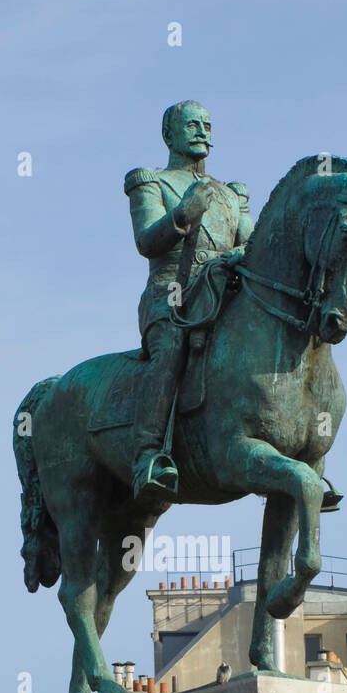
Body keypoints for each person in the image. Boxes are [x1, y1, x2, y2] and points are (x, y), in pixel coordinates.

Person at [124, 101, 253, 502]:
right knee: (171, 351)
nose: (203, 131)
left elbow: (250, 243)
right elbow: (147, 240)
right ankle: (149, 454)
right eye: (192, 124)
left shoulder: (232, 195)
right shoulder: (151, 181)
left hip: (221, 292)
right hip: (171, 294)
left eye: (208, 125)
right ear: (169, 135)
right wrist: (183, 213)